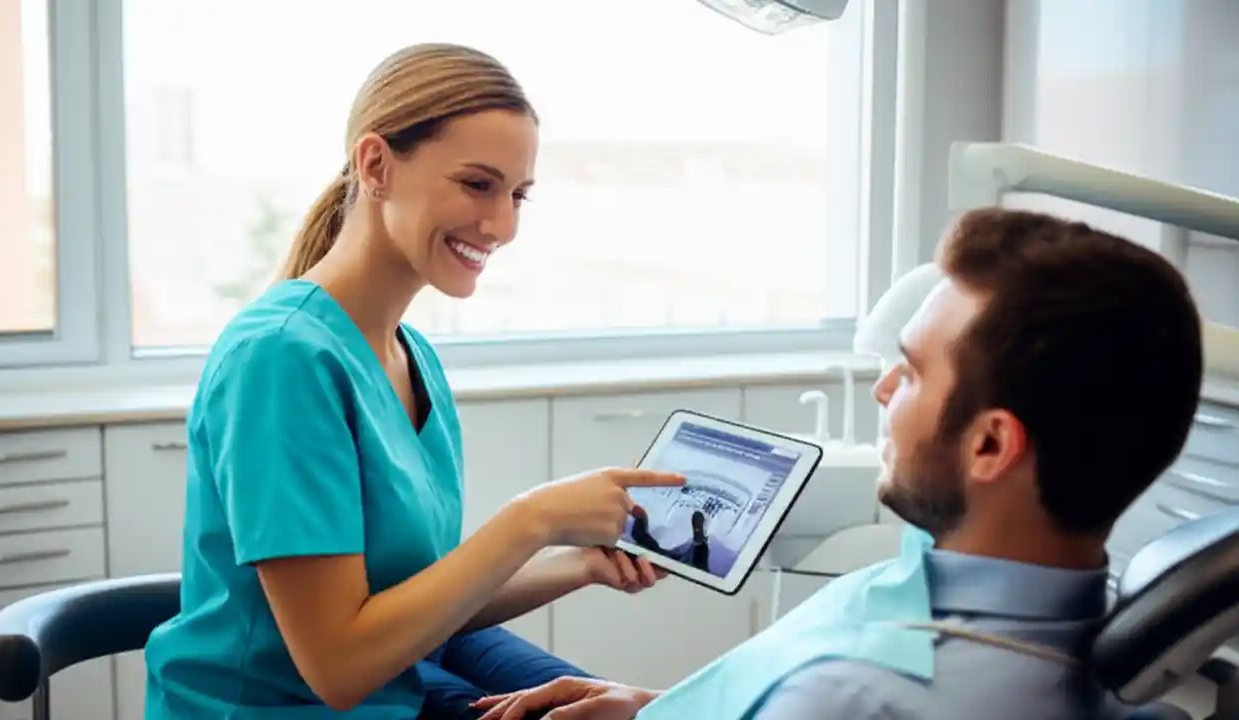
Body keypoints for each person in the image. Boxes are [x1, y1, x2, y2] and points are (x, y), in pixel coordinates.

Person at [470, 207, 1204, 720]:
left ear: (990, 446)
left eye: (911, 372)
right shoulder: (1034, 619)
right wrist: (656, 708)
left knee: (417, 654)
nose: (885, 387)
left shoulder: (853, 695)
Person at [142, 43, 684, 720]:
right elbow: (339, 667)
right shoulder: (281, 359)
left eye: (518, 195)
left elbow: (408, 606)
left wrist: (577, 564)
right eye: (477, 184)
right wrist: (533, 517)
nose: (503, 225)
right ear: (375, 165)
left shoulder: (409, 354)